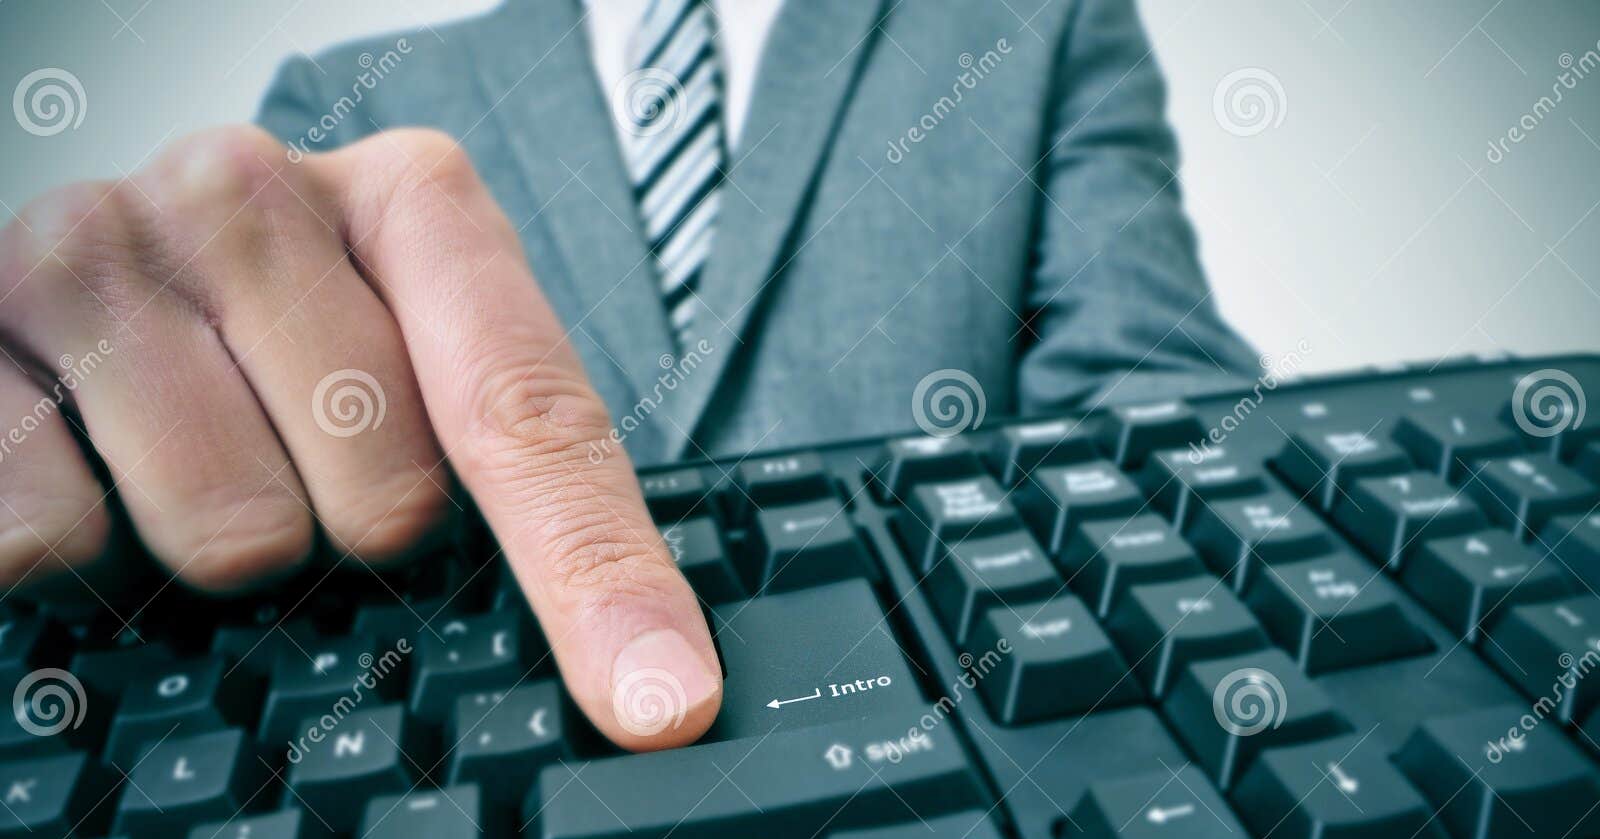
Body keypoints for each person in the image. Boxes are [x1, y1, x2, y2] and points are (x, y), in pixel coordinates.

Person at [0, 0, 1254, 751]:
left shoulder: (1026, 29)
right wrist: (100, 430)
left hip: (946, 754)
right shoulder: (350, 95)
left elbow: (1167, 431)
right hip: (484, 799)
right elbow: (264, 437)